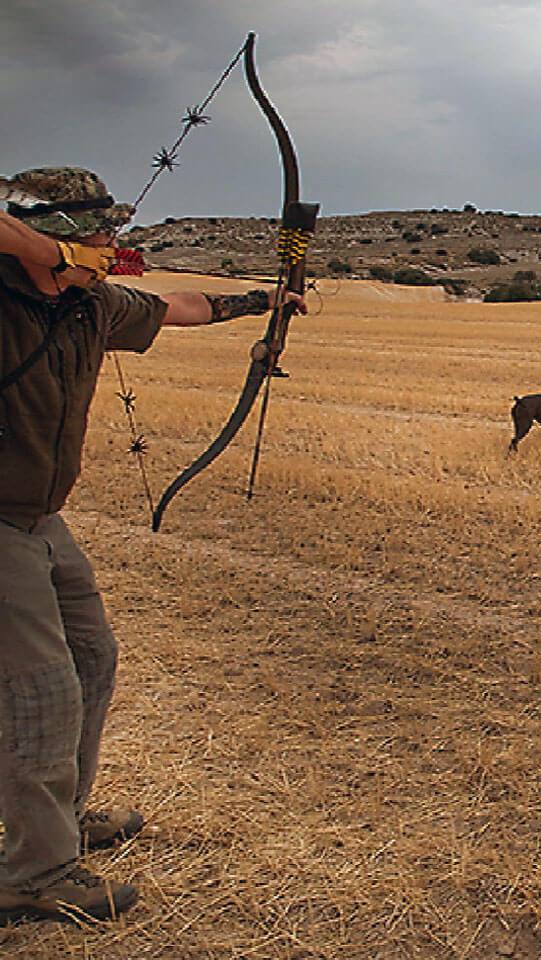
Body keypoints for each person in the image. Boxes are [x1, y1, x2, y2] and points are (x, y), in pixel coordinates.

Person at [0, 167, 304, 922]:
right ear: (48, 234)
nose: (111, 246)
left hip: (39, 517)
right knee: (42, 690)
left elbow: (178, 306)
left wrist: (265, 300)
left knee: (93, 657)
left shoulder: (90, 302)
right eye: (97, 234)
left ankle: (58, 825)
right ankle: (32, 873)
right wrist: (46, 247)